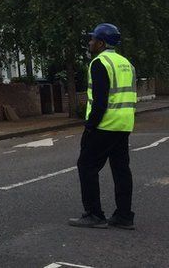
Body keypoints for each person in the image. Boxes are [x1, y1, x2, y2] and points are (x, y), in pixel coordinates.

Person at [68, 23, 136, 230]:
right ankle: (124, 216)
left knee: (86, 166)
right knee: (121, 170)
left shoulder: (100, 63)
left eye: (92, 39)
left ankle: (94, 215)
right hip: (123, 125)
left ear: (101, 42)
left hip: (104, 125)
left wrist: (90, 126)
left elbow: (100, 101)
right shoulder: (126, 63)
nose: (90, 43)